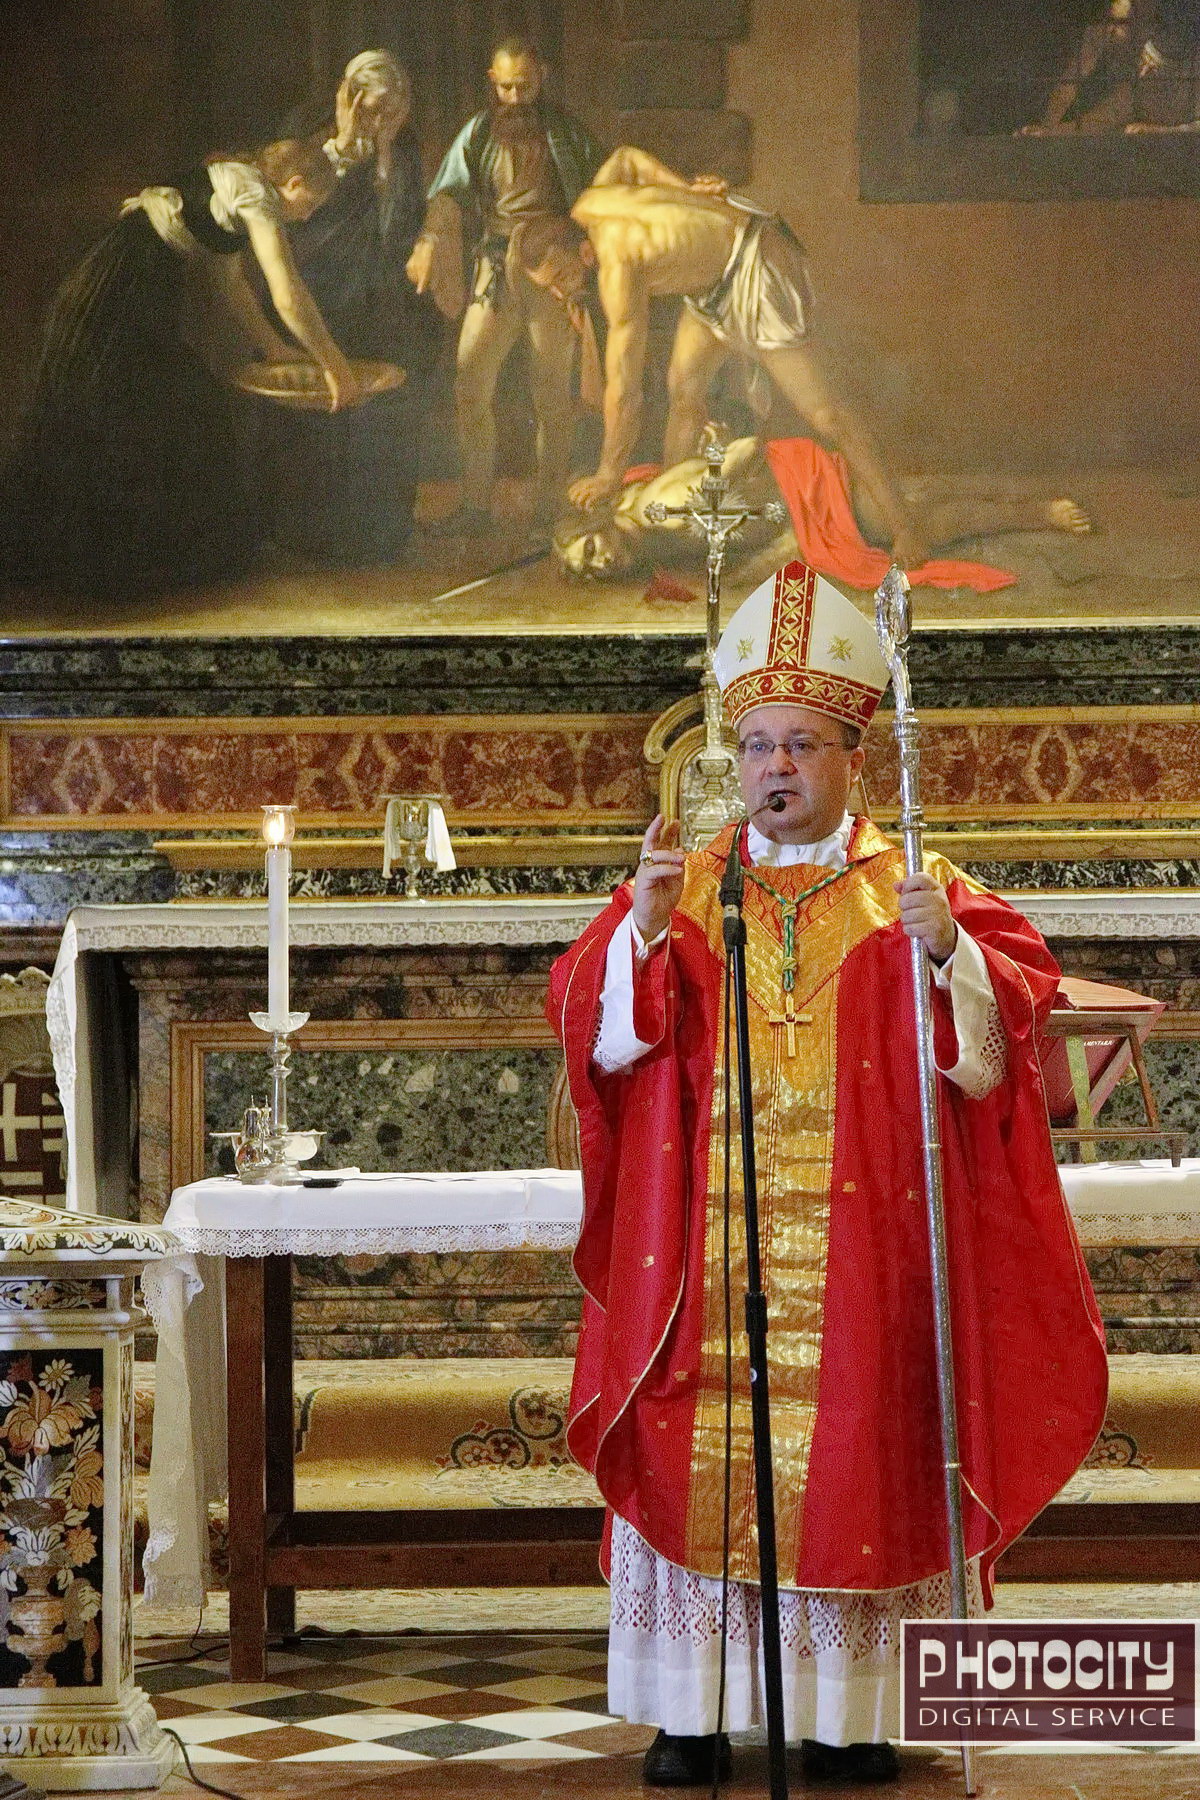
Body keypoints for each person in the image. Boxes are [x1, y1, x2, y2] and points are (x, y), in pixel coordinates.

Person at [546, 558, 1108, 1786]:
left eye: (801, 743)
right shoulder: (681, 887)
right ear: (728, 761)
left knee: (864, 1453)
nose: (776, 769)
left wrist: (951, 952)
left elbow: (1001, 1042)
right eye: (754, 747)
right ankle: (687, 1711)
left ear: (858, 754)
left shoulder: (921, 887)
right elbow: (598, 1030)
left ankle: (848, 1718)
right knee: (699, 1445)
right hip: (705, 1253)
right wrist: (637, 937)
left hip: (867, 1260)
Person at [514, 144, 931, 569]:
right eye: (549, 286)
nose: (561, 291)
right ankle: (669, 518)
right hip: (713, 280)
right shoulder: (590, 203)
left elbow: (625, 386)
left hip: (756, 262)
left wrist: (608, 473)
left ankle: (904, 526)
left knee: (827, 413)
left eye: (563, 277)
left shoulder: (617, 268)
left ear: (584, 253)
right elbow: (625, 159)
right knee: (684, 388)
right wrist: (686, 189)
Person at [2, 138, 360, 596]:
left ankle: (159, 561)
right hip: (117, 302)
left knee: (185, 410)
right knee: (156, 413)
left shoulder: (232, 184)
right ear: (292, 184)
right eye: (311, 204)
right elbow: (286, 292)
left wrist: (273, 347)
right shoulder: (256, 193)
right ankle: (134, 565)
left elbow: (231, 286)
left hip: (124, 292)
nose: (309, 217)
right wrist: (336, 366)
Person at [406, 33, 605, 533]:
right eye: (507, 88)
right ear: (493, 83)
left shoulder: (568, 134)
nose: (515, 99)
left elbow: (602, 197)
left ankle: (548, 506)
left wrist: (583, 247)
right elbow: (447, 193)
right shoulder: (476, 133)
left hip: (552, 273)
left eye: (525, 86)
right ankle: (474, 505)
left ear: (542, 79)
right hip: (494, 271)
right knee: (470, 384)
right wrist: (432, 237)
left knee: (553, 396)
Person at [259, 50, 440, 565]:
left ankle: (376, 534)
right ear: (351, 98)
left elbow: (397, 226)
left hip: (374, 298)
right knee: (314, 414)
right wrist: (342, 145)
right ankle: (305, 536)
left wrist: (382, 152)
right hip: (316, 292)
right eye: (374, 108)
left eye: (393, 110)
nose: (382, 119)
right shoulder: (307, 133)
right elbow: (292, 222)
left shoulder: (399, 150)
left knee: (380, 406)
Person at [552, 431, 1091, 588]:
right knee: (911, 502)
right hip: (793, 501)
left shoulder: (661, 514)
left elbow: (743, 452)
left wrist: (771, 558)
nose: (599, 564)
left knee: (915, 524)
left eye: (592, 548)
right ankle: (1022, 502)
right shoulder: (650, 525)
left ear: (603, 525)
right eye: (587, 566)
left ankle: (1034, 512)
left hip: (801, 493)